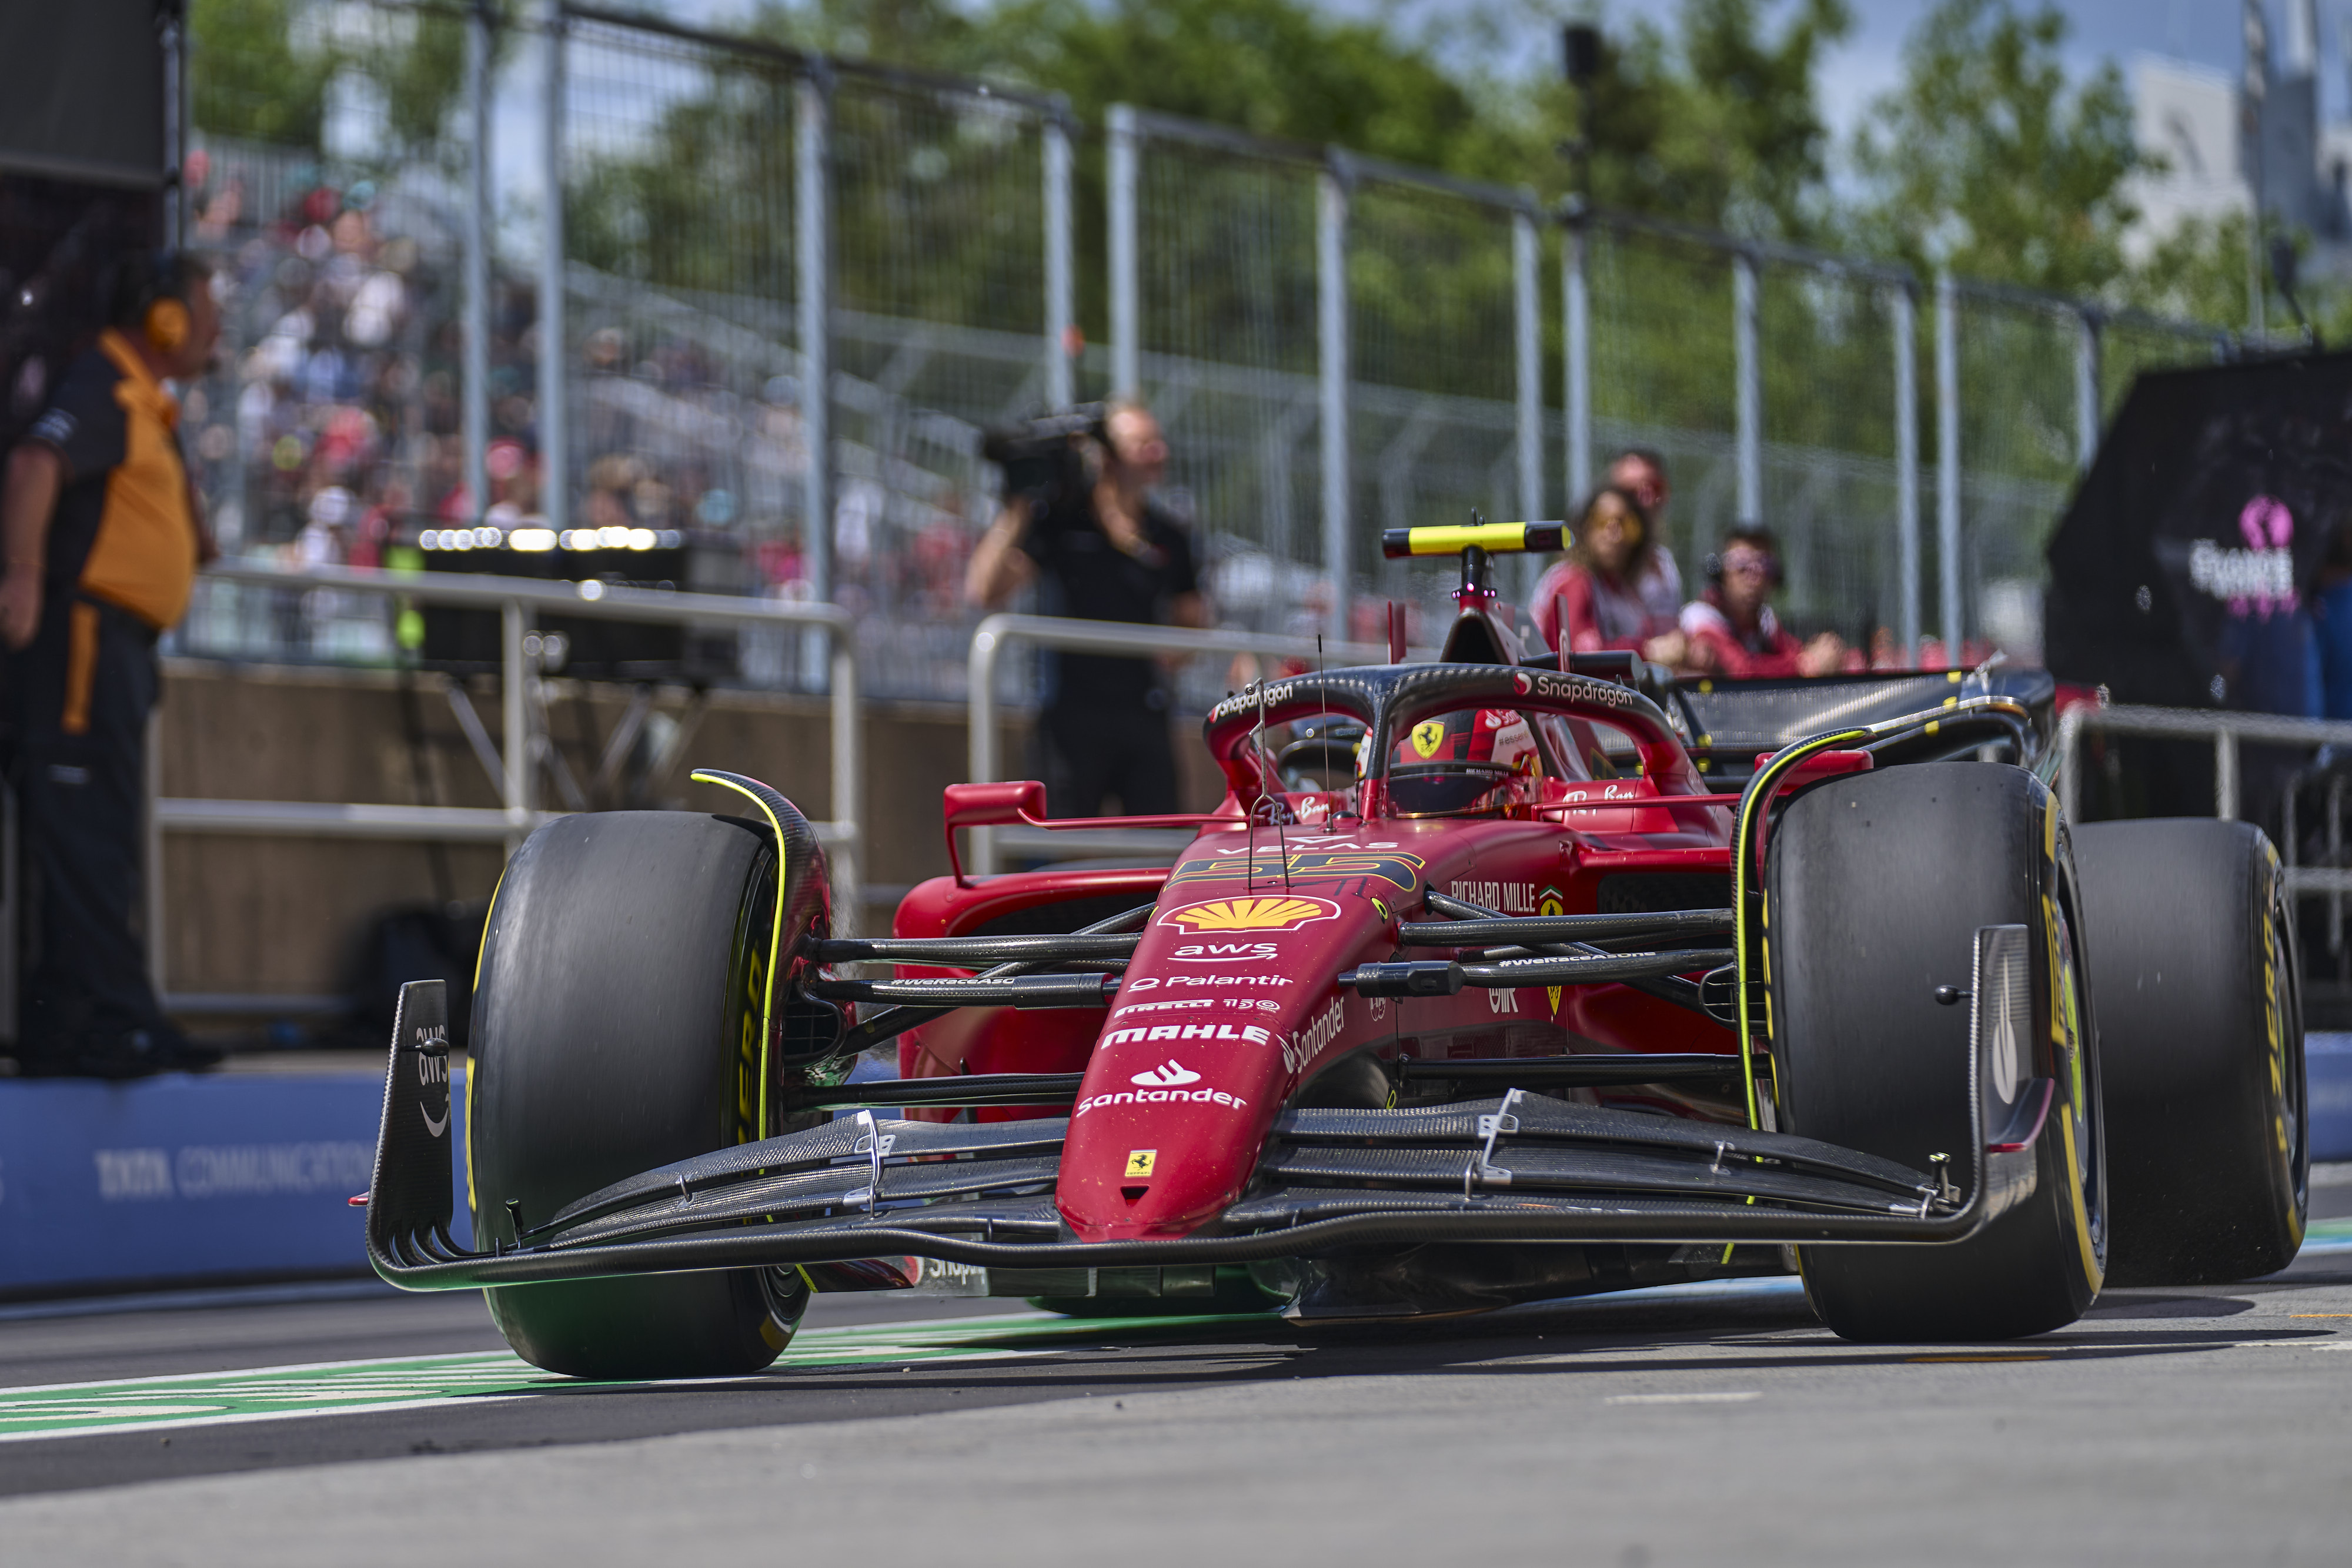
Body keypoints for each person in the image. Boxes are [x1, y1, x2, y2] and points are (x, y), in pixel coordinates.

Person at [0, 251, 222, 1077]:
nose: (215, 328)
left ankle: (75, 1026)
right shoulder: (107, 382)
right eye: (204, 309)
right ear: (163, 317)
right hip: (83, 642)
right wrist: (22, 575)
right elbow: (33, 465)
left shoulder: (145, 403)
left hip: (118, 650)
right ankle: (114, 1021)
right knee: (85, 831)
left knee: (97, 831)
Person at [965, 401, 1206, 817]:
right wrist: (1018, 507)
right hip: (1070, 714)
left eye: (1158, 442)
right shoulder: (1064, 523)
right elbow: (984, 590)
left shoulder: (1169, 534)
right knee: (1056, 845)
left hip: (1143, 710)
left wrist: (1176, 650)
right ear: (1109, 454)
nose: (1158, 453)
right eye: (1143, 444)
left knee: (1161, 847)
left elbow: (1191, 617)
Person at [1529, 485, 1687, 665]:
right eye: (1602, 522)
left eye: (1626, 525)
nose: (1615, 535)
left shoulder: (1617, 587)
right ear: (1585, 529)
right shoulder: (1574, 580)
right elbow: (1581, 657)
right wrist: (1648, 651)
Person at [1678, 525, 1847, 678]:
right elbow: (1741, 672)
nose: (1755, 576)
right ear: (1721, 572)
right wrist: (1807, 665)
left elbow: (1794, 652)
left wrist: (1829, 654)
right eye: (1742, 564)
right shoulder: (1700, 618)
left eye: (1765, 565)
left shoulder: (1765, 619)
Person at [1606, 447, 1686, 624]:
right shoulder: (1588, 571)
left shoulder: (1664, 563)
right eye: (1632, 491)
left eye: (1656, 488)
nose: (1647, 500)